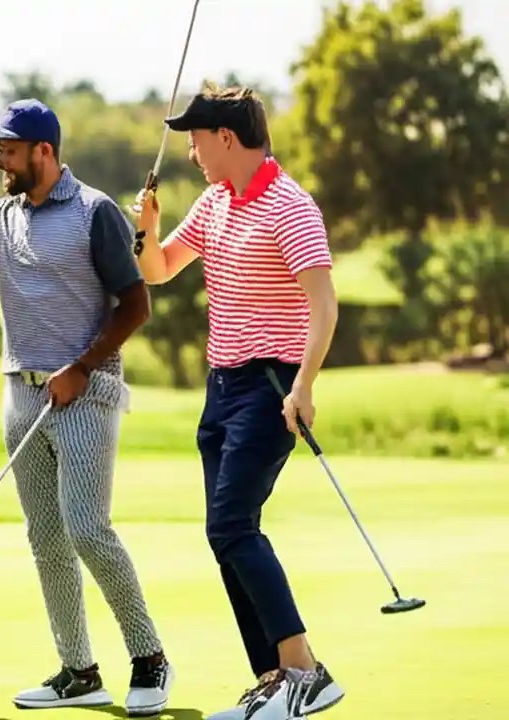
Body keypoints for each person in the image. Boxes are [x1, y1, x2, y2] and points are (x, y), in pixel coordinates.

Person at [0, 99, 174, 716]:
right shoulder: (0, 216)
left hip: (84, 393)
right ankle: (79, 669)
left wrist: (82, 366)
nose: (1, 159)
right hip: (20, 395)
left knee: (87, 530)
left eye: (10, 150)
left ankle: (150, 657)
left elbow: (135, 305)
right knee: (46, 540)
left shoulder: (94, 212)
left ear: (43, 152)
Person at [128, 82, 343, 720]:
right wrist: (147, 231)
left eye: (196, 138)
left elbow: (323, 302)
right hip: (221, 390)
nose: (190, 152)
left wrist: (305, 384)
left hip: (271, 386)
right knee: (223, 534)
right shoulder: (215, 201)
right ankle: (278, 677)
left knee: (232, 525)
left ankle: (305, 671)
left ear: (226, 138)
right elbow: (159, 269)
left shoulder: (289, 205)